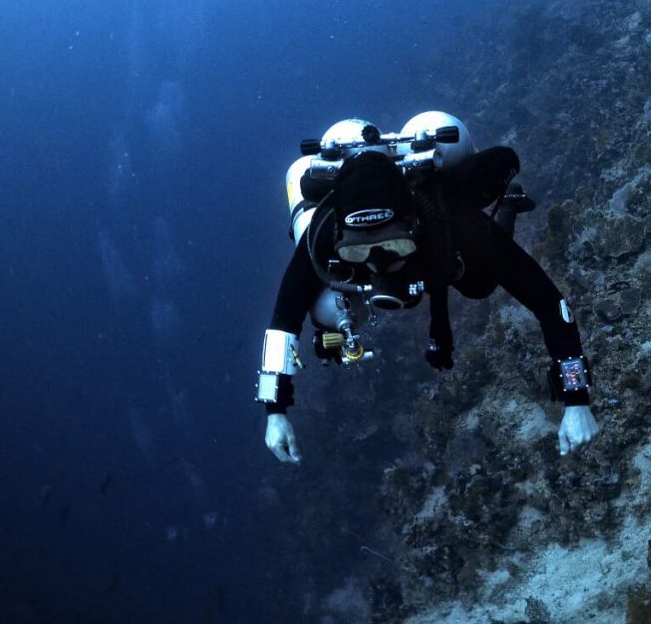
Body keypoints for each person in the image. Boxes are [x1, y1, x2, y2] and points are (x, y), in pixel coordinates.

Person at [255, 113, 598, 465]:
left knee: (479, 285)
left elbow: (548, 301)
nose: (379, 262)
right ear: (341, 236)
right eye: (359, 250)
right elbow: (284, 320)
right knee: (327, 312)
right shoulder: (324, 233)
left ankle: (508, 201)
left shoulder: (452, 220)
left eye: (392, 246)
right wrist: (275, 412)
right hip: (368, 267)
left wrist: (577, 400)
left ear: (412, 224)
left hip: (439, 253)